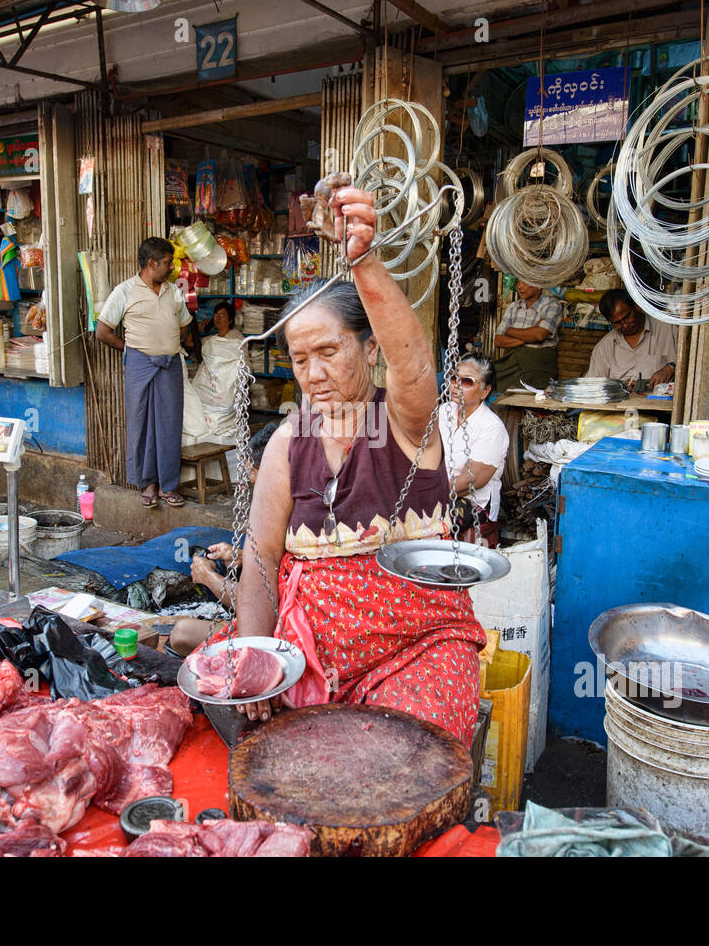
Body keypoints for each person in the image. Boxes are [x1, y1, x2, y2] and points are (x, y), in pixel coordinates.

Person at [201, 186, 488, 748]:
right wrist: (260, 658)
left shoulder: (405, 422)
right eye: (299, 359)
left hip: (417, 650)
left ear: (369, 349)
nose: (313, 373)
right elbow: (261, 554)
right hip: (310, 656)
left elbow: (415, 364)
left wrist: (364, 263)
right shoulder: (289, 442)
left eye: (329, 352)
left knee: (400, 757)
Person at [96, 237, 192, 509]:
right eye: (167, 263)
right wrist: (131, 349)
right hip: (140, 364)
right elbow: (103, 332)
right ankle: (148, 484)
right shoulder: (124, 291)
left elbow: (184, 326)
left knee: (170, 424)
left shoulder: (174, 292)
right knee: (143, 424)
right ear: (152, 263)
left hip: (170, 363)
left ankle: (168, 486)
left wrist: (168, 343)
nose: (172, 267)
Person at [168, 421, 279, 656]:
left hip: (277, 631)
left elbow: (258, 606)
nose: (251, 485)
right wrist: (240, 556)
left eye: (255, 479)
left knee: (181, 634)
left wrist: (208, 577)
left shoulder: (283, 519)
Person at [440, 354, 509, 548]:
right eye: (454, 378)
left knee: (422, 521)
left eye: (467, 381)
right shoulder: (443, 412)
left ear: (485, 391)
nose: (456, 385)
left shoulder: (491, 427)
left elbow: (472, 480)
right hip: (440, 490)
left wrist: (429, 492)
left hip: (473, 502)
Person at [586, 289, 679, 387]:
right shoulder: (603, 348)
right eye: (617, 322)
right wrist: (617, 388)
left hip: (661, 400)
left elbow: (692, 360)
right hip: (620, 401)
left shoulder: (669, 329)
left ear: (636, 306)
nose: (625, 325)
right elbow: (592, 385)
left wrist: (670, 368)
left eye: (627, 317)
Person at [493, 279, 565, 390]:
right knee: (487, 378)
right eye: (518, 283)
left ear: (539, 286)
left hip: (538, 363)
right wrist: (530, 336)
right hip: (512, 361)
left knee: (531, 388)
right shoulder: (513, 307)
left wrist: (510, 331)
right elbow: (498, 341)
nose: (520, 287)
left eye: (525, 283)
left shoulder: (552, 305)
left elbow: (540, 335)